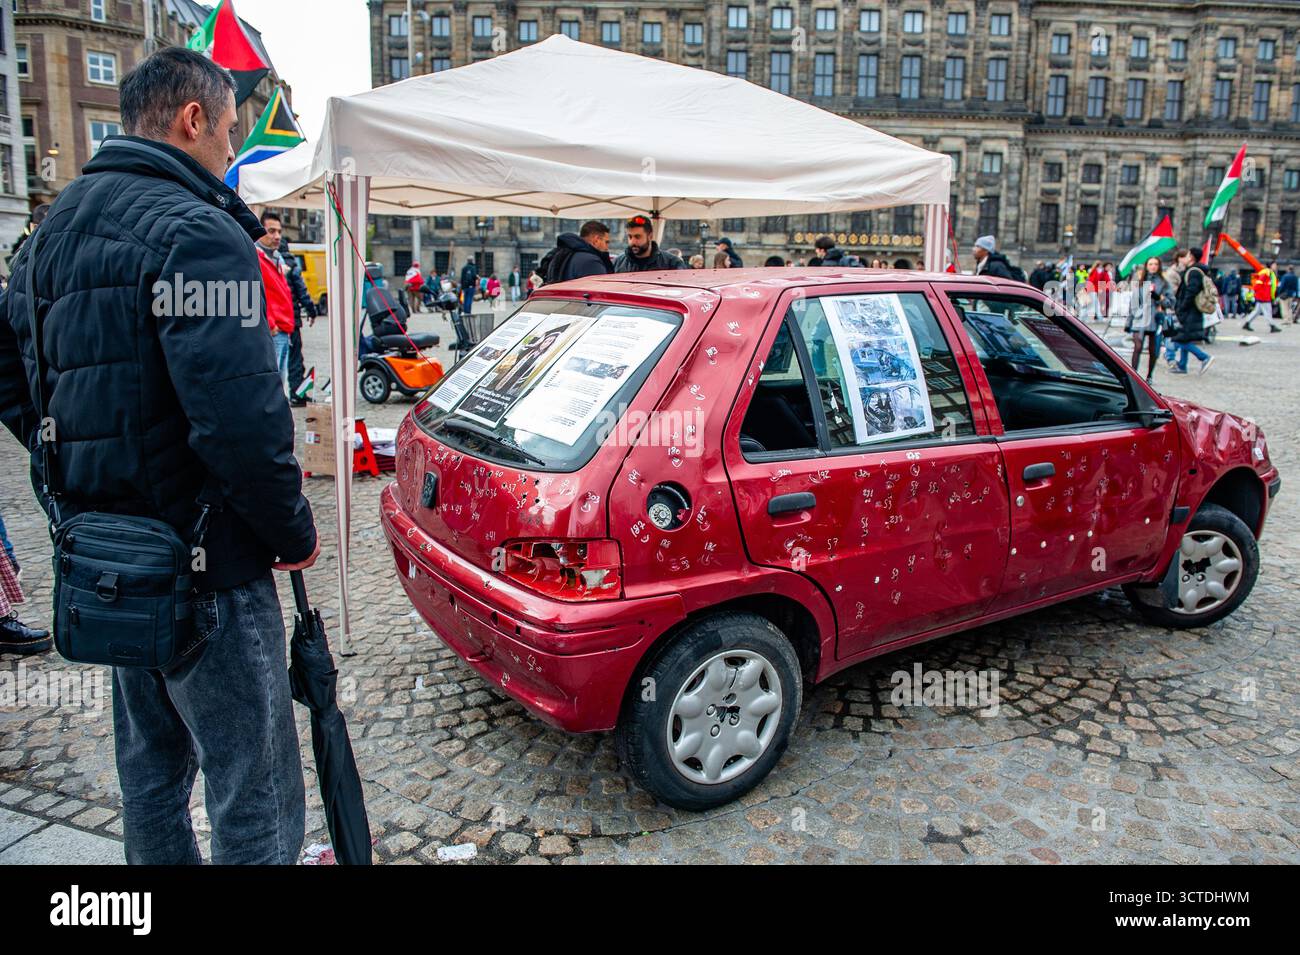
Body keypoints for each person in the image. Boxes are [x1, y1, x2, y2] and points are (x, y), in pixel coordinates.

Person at [0, 46, 318, 863]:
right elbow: (243, 421)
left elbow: (11, 372)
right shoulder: (200, 231)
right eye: (231, 133)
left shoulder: (53, 228)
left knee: (149, 776)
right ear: (192, 119)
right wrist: (291, 530)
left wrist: (61, 466)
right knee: (254, 788)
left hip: (103, 555)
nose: (231, 153)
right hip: (203, 563)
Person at [272, 227, 318, 407]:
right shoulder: (292, 266)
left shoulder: (278, 264)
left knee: (282, 361)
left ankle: (288, 394)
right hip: (291, 319)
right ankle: (296, 394)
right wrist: (312, 311)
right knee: (295, 359)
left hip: (279, 320)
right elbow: (302, 292)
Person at [254, 211, 296, 393]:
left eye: (279, 231)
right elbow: (257, 292)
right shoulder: (256, 257)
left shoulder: (276, 257)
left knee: (281, 383)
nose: (277, 236)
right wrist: (270, 323)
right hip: (274, 329)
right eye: (271, 231)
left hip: (283, 328)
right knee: (274, 386)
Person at [1126, 256, 1172, 384]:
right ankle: (1133, 375)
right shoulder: (1140, 281)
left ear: (1159, 266)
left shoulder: (1164, 283)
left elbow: (1170, 302)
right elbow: (1133, 303)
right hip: (1139, 318)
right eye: (1150, 264)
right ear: (1146, 266)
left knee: (1153, 349)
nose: (1153, 266)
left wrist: (1159, 297)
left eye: (1155, 264)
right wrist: (1128, 322)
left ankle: (1149, 375)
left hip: (1155, 319)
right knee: (1138, 346)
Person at [1170, 247, 1215, 375]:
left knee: (1178, 339)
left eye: (1187, 255)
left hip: (1189, 311)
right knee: (1185, 338)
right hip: (1191, 310)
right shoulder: (1194, 270)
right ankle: (1182, 365)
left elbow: (1191, 291)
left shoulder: (1194, 271)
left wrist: (1182, 307)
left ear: (1191, 257)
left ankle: (1204, 357)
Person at [539, 220, 614, 282]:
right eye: (606, 242)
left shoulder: (563, 254)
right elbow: (601, 293)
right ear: (596, 240)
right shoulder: (590, 261)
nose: (607, 247)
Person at [614, 214, 688, 272]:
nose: (632, 241)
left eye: (637, 237)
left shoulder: (672, 263)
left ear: (650, 236)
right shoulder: (618, 263)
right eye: (630, 237)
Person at [1244, 261, 1280, 332]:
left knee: (1256, 311)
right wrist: (1254, 292)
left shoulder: (1269, 273)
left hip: (1263, 296)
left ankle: (1247, 323)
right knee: (1268, 312)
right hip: (1264, 297)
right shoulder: (1266, 274)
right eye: (1274, 265)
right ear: (1270, 265)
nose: (1276, 266)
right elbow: (1258, 284)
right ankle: (1272, 326)